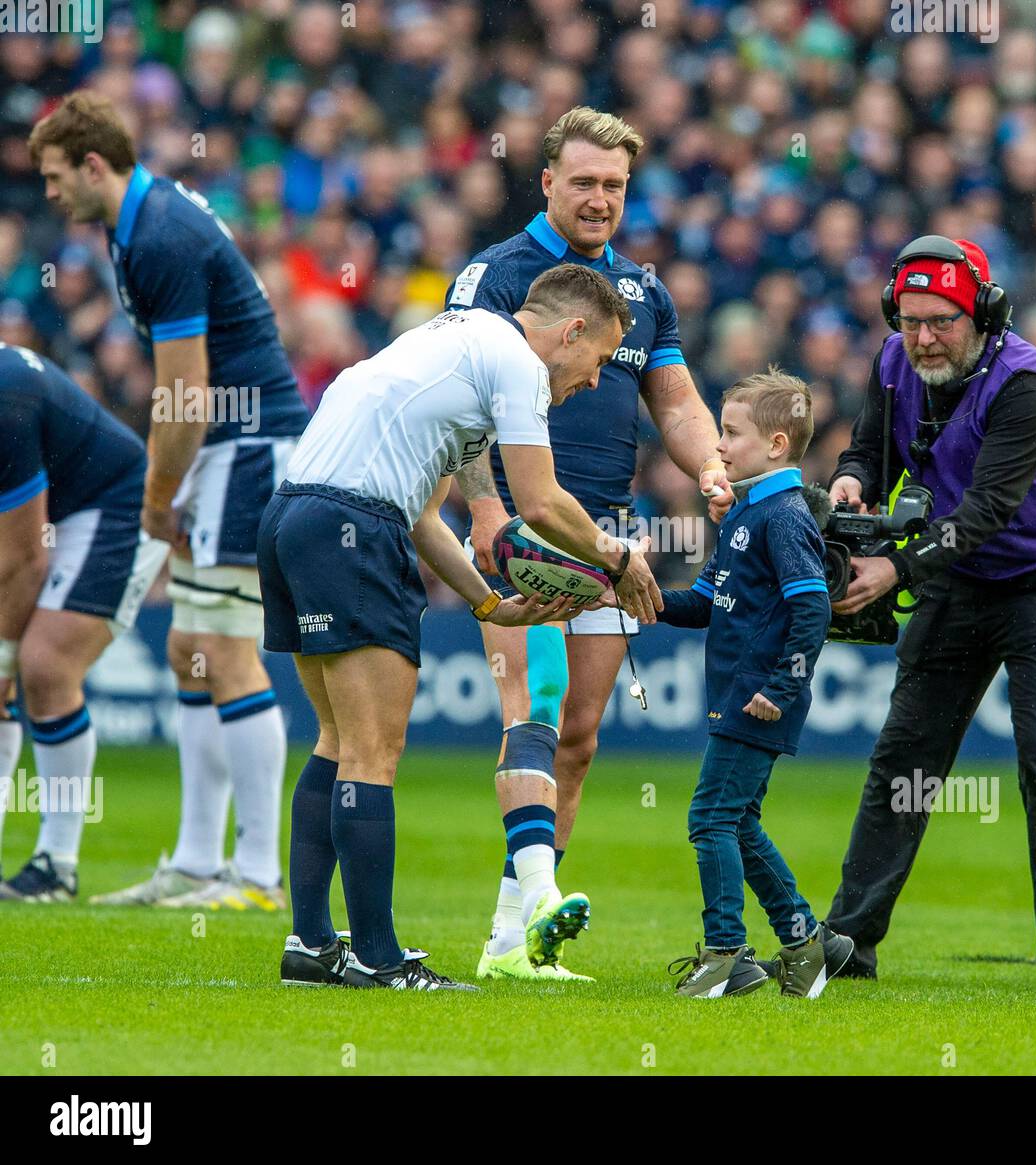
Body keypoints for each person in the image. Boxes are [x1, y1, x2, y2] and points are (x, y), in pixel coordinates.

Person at [262, 264, 662, 991]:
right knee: (374, 753)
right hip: (353, 525)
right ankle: (379, 958)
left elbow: (424, 517)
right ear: (570, 331)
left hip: (293, 519)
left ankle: (312, 943)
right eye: (600, 359)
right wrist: (616, 553)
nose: (597, 380)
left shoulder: (443, 350)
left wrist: (486, 604)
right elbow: (538, 503)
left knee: (336, 740)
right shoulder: (516, 361)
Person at [446, 107, 730, 982]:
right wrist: (486, 511)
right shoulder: (494, 275)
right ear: (547, 183)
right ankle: (525, 916)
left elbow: (675, 403)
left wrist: (716, 471)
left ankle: (512, 937)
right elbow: (458, 406)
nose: (600, 199)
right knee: (531, 706)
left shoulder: (644, 294)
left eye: (613, 185)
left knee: (578, 735)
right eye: (584, 183)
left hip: (609, 539)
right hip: (523, 532)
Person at [31, 92, 310, 911]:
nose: (47, 195)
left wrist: (159, 497)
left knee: (224, 648)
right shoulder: (144, 220)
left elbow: (186, 391)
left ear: (92, 165)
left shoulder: (157, 235)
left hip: (245, 445)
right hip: (226, 444)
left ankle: (257, 873)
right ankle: (196, 858)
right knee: (191, 643)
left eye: (54, 178)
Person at [825, 235, 1036, 988]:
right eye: (910, 320)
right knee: (903, 756)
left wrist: (893, 567)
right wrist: (851, 484)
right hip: (957, 573)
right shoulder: (894, 362)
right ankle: (849, 939)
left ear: (983, 314)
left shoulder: (1031, 385)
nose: (922, 337)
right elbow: (866, 452)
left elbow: (986, 508)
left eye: (941, 321)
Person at [652, 369, 853, 998]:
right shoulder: (748, 513)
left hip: (759, 697)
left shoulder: (784, 516)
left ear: (775, 445)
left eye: (731, 434)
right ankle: (807, 944)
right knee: (736, 821)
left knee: (709, 817)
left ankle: (725, 954)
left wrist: (783, 686)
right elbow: (707, 602)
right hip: (741, 694)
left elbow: (813, 607)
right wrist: (644, 598)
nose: (718, 446)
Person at [0, 343, 169, 900]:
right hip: (53, 512)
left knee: (43, 665)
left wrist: (3, 659)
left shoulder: (7, 398)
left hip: (110, 503)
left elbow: (24, 560)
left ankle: (57, 862)